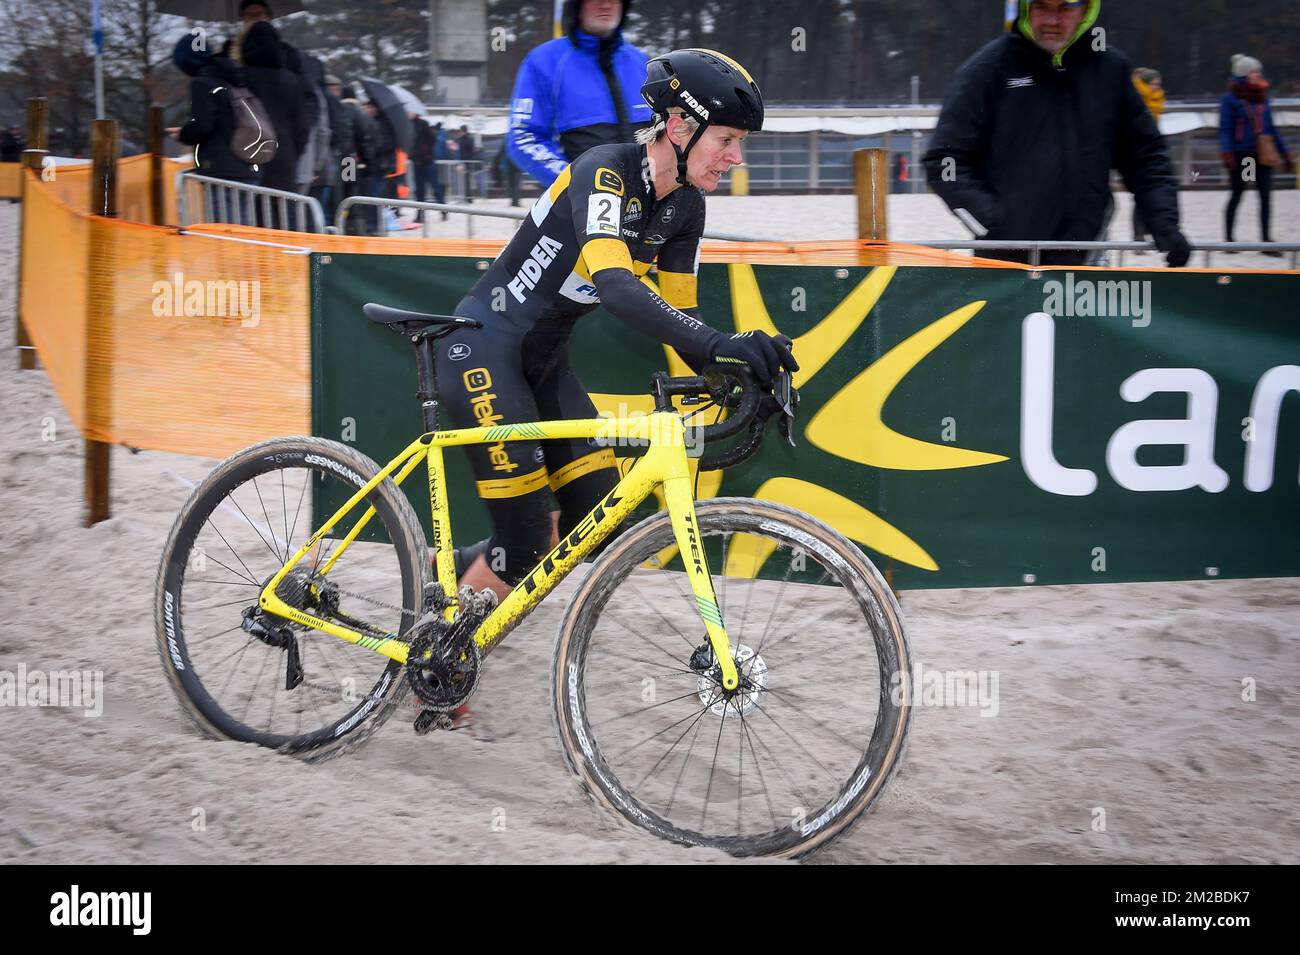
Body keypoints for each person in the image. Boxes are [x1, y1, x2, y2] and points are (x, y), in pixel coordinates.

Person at [435, 48, 796, 607]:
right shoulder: (604, 170)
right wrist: (717, 345)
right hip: (482, 348)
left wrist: (737, 362)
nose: (736, 157)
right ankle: (436, 663)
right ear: (679, 126)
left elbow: (684, 321)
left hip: (544, 362)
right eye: (726, 139)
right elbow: (619, 288)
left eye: (739, 144)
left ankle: (453, 584)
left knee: (590, 514)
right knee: (528, 535)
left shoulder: (686, 207)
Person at [922, 0, 1190, 267]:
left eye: (1064, 8)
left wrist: (1164, 222)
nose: (1052, 20)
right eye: (1041, 7)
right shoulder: (987, 69)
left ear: (1085, 10)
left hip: (1086, 259)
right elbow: (944, 162)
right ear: (1027, 8)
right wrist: (992, 224)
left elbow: (1145, 157)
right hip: (1006, 268)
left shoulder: (1110, 70)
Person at [506, 0, 653, 188]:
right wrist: (575, 182)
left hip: (647, 206)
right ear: (576, 6)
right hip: (580, 207)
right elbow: (523, 136)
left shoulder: (641, 62)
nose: (606, 5)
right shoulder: (544, 61)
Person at [170, 33, 261, 213]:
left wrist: (183, 134)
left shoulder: (201, 83)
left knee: (223, 235)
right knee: (243, 234)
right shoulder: (234, 77)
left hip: (221, 172)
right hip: (249, 169)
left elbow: (203, 126)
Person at [1220, 54, 1292, 256]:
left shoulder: (1262, 98)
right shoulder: (1230, 99)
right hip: (1245, 156)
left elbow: (1271, 129)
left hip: (1263, 156)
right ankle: (1229, 239)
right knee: (1238, 194)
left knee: (1266, 197)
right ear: (1243, 75)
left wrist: (1284, 153)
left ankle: (1266, 242)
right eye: (1253, 71)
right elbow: (1225, 128)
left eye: (1258, 71)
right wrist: (1227, 152)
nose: (1258, 75)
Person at [238, 21, 307, 201]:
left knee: (250, 220)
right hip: (284, 157)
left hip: (248, 156)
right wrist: (293, 153)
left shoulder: (240, 78)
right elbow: (302, 129)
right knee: (282, 220)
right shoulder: (292, 81)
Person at [1130, 67, 1163, 243]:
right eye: (1154, 84)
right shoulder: (1138, 97)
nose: (1157, 87)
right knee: (1141, 192)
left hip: (1150, 147)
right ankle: (1138, 232)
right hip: (1136, 148)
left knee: (1150, 191)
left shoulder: (1157, 99)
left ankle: (1145, 229)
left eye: (1158, 84)